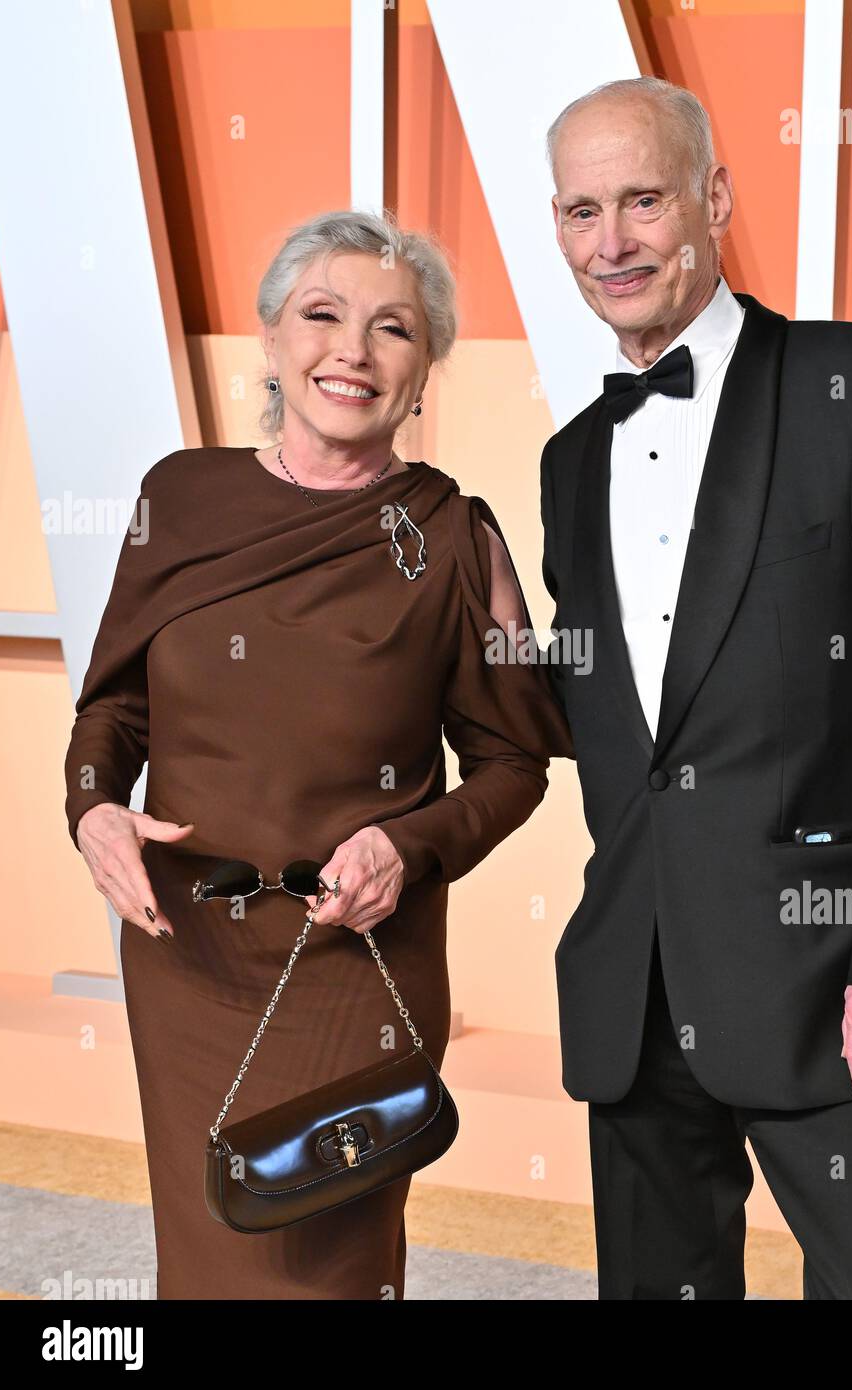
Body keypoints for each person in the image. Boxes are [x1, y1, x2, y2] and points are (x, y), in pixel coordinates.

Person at [538, 76, 852, 1300]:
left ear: (712, 198)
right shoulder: (569, 459)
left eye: (642, 200)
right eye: (582, 210)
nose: (613, 242)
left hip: (829, 980)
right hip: (633, 986)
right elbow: (620, 709)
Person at [64, 207, 571, 1300]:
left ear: (422, 367)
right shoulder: (178, 496)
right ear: (272, 336)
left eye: (391, 328)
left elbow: (514, 761)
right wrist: (94, 806)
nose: (351, 348)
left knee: (325, 1272)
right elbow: (111, 709)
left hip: (353, 969)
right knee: (205, 1259)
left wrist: (411, 842)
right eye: (322, 314)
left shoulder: (453, 535)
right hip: (184, 956)